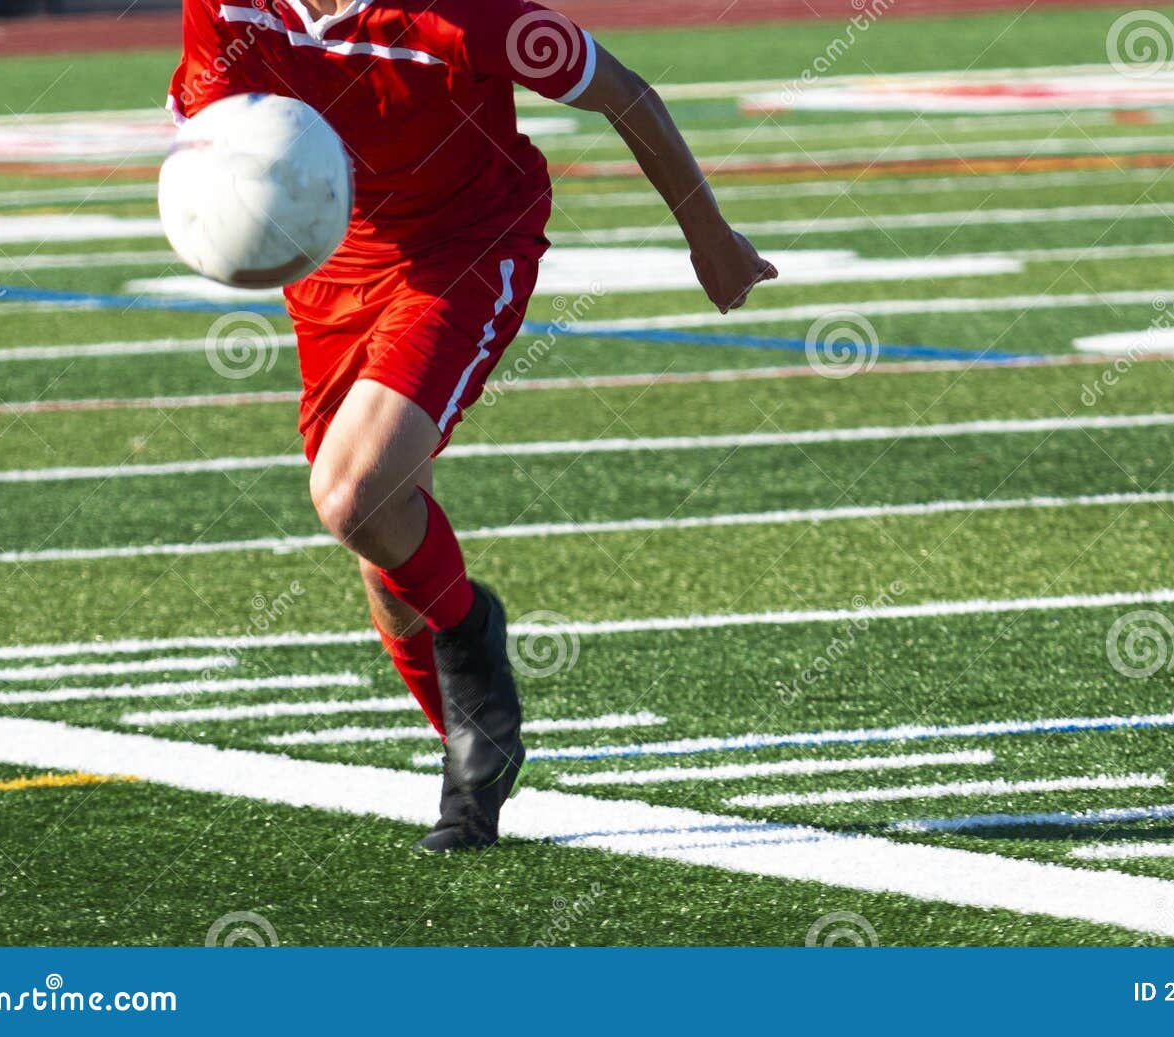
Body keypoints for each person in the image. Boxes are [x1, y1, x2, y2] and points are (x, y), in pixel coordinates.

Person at [169, 0, 776, 850]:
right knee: (382, 540)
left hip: (465, 247)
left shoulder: (459, 16)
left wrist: (708, 236)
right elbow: (213, 129)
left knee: (352, 494)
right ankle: (472, 770)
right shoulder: (226, 7)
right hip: (332, 269)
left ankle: (469, 643)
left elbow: (625, 92)